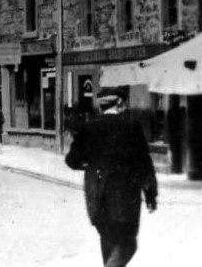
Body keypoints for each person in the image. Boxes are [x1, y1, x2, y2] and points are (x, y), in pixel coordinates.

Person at [65, 87, 158, 267]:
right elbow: (144, 164)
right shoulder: (131, 126)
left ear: (101, 106)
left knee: (108, 241)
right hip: (125, 197)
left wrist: (90, 164)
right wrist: (150, 194)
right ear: (121, 103)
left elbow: (72, 160)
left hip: (96, 196)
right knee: (127, 244)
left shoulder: (89, 127)